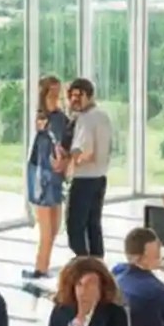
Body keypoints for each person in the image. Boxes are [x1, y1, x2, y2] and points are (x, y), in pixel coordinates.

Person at [25, 75, 69, 279]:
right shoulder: (43, 118)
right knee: (47, 227)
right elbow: (47, 148)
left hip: (55, 175)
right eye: (52, 91)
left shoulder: (60, 116)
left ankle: (43, 265)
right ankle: (40, 268)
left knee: (55, 226)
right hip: (43, 175)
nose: (56, 95)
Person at [66, 78, 112, 258]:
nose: (74, 100)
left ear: (89, 95)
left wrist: (71, 162)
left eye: (78, 95)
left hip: (84, 179)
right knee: (94, 225)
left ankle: (83, 265)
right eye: (71, 96)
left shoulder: (86, 119)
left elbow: (86, 152)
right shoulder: (102, 115)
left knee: (75, 227)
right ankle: (98, 263)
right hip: (100, 178)